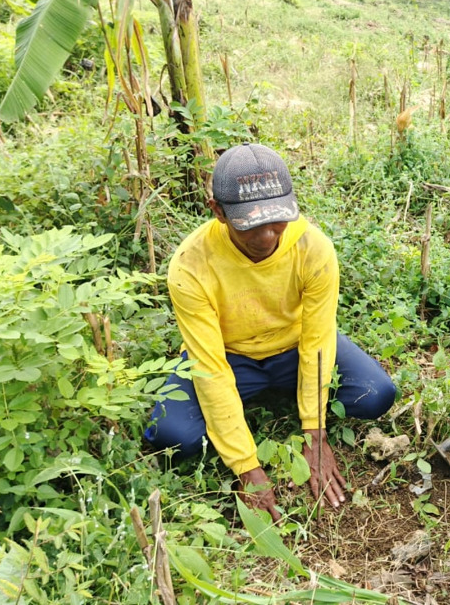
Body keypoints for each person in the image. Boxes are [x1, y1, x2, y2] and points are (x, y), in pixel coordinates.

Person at [146, 143, 396, 521]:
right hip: (230, 358)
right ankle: (258, 396)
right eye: (251, 224)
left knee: (376, 395)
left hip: (293, 350)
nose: (267, 237)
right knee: (171, 437)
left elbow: (316, 341)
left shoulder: (314, 248)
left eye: (277, 220)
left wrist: (315, 433)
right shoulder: (190, 266)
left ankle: (282, 392)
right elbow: (210, 368)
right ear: (218, 211)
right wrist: (247, 467)